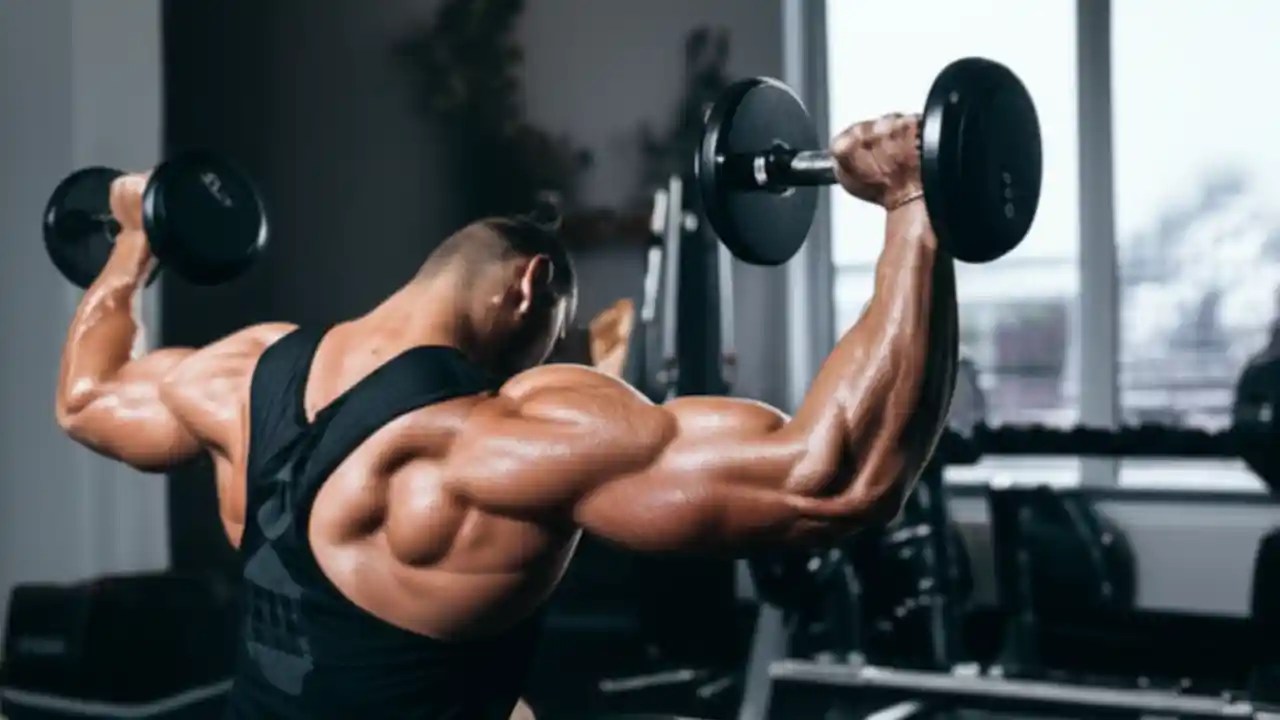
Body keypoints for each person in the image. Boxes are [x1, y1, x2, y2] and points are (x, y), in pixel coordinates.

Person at [55, 112, 957, 720]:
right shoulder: (496, 438)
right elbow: (833, 479)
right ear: (531, 289)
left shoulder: (239, 372)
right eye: (552, 336)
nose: (547, 361)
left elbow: (88, 398)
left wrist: (137, 238)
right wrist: (914, 203)